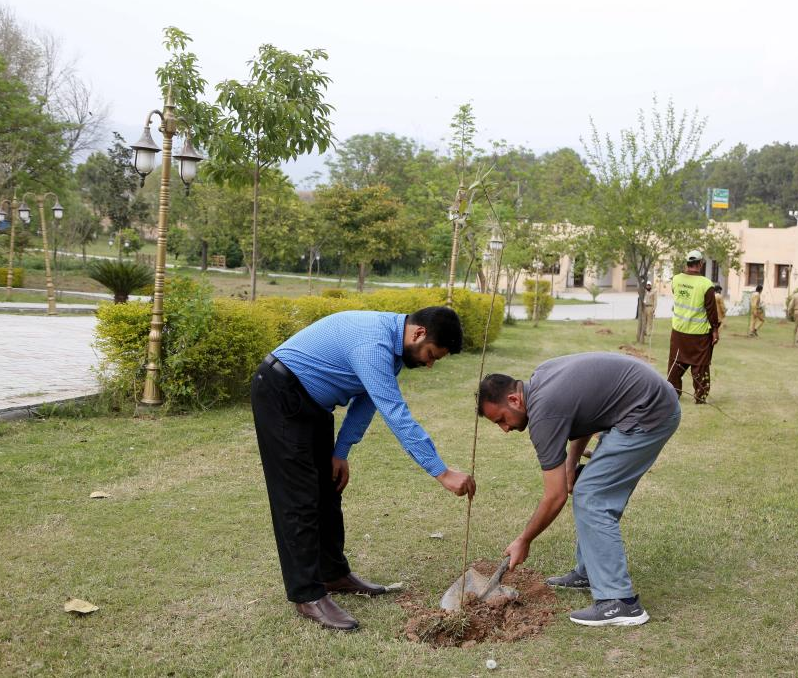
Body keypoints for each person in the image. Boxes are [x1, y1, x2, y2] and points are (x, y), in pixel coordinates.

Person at [250, 307, 476, 632]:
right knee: (298, 499)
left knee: (327, 491)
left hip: (313, 405)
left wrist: (340, 451)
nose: (429, 364)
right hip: (281, 395)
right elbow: (395, 413)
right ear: (418, 333)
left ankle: (333, 574)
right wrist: (441, 472)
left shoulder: (393, 350)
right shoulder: (372, 344)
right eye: (430, 355)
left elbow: (366, 402)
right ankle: (307, 594)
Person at [477, 352, 681, 627]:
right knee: (589, 489)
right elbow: (587, 414)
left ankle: (619, 602)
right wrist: (571, 465)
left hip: (648, 413)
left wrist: (524, 539)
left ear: (514, 400)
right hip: (641, 404)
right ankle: (591, 572)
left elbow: (555, 495)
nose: (504, 429)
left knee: (592, 496)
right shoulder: (540, 379)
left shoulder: (543, 413)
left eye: (501, 419)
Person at [667, 250, 720, 404]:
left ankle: (672, 394)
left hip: (678, 332)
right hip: (699, 334)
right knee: (700, 366)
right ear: (701, 264)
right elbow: (711, 311)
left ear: (687, 264)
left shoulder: (676, 280)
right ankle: (700, 396)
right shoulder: (706, 284)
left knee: (676, 364)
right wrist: (715, 330)